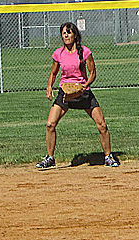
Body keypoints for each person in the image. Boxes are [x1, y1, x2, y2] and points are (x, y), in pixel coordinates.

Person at [38, 22, 119, 169]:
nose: (66, 35)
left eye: (69, 32)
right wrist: (49, 86)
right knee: (50, 124)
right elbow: (53, 73)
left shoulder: (85, 52)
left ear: (75, 35)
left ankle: (108, 156)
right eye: (64, 33)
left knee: (102, 125)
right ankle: (50, 158)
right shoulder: (58, 54)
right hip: (65, 93)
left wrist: (85, 86)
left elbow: (93, 73)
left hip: (83, 92)